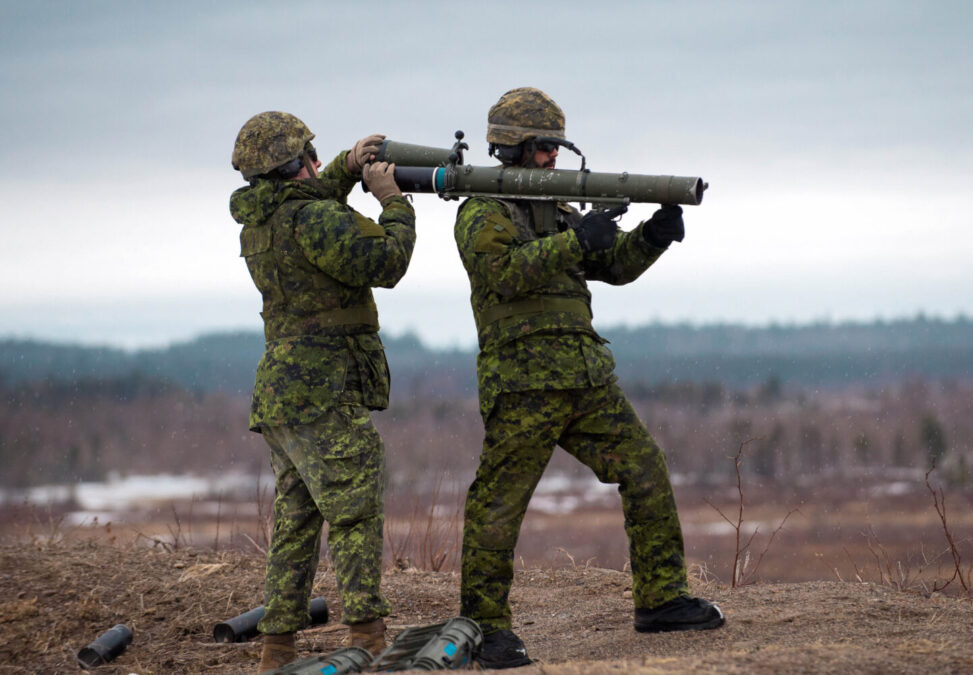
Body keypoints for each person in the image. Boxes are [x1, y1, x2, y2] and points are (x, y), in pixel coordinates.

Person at [453, 88, 725, 669]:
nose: (554, 156)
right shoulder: (481, 211)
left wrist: (651, 237)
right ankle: (484, 628)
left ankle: (661, 600)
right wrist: (573, 241)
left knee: (645, 468)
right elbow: (502, 274)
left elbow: (613, 266)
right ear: (516, 147)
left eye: (557, 146)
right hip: (523, 385)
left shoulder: (558, 212)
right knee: (499, 505)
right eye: (545, 146)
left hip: (586, 379)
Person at [229, 111, 416, 672]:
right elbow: (387, 261)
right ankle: (369, 636)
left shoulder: (262, 219)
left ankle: (277, 647)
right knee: (355, 510)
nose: (315, 163)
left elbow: (311, 202)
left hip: (282, 394)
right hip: (324, 390)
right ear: (293, 165)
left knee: (297, 517)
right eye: (309, 156)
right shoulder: (312, 220)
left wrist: (347, 162)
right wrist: (394, 203)